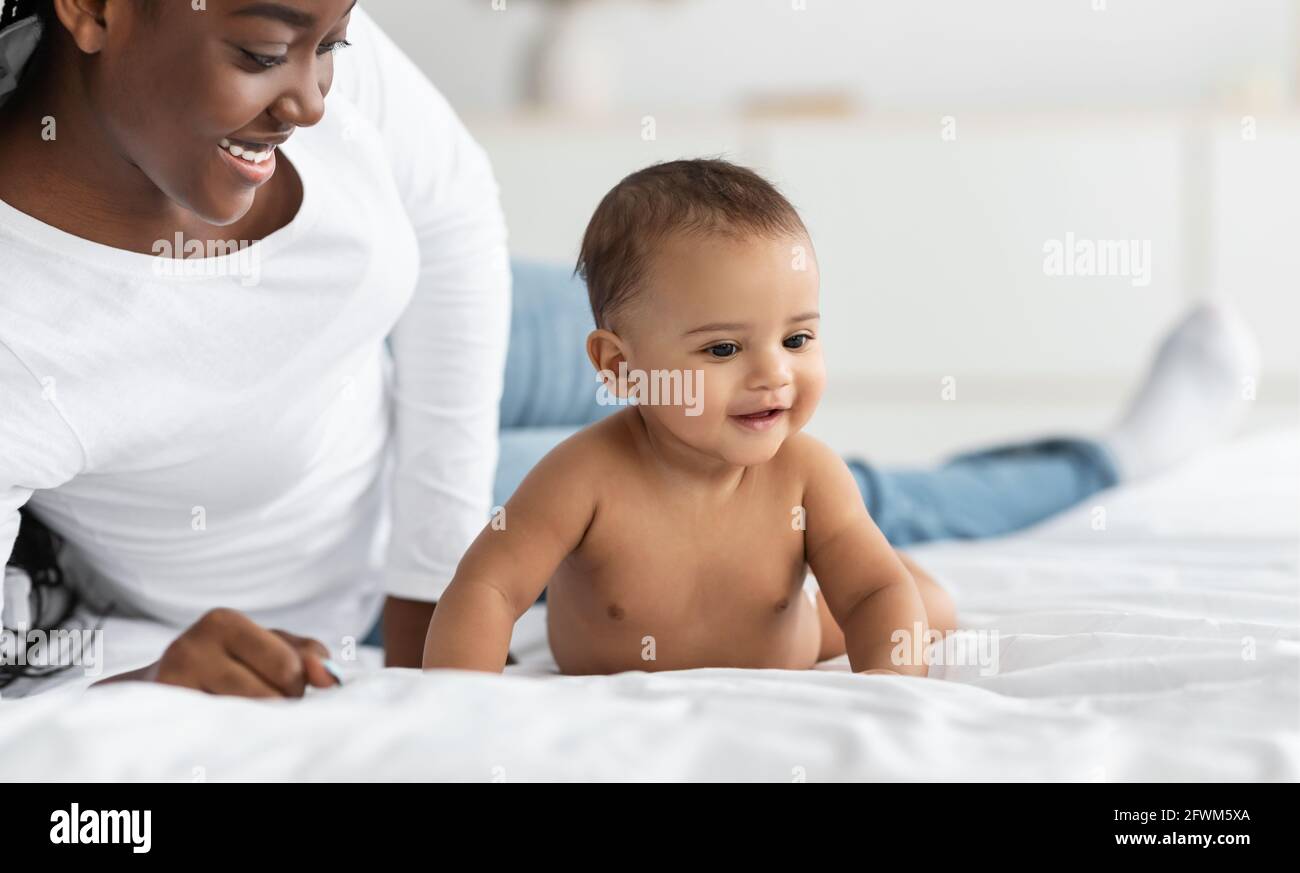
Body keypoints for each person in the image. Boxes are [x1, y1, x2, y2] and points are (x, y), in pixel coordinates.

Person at [0, 2, 1259, 697]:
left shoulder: (305, 40)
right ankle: (1110, 457)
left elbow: (446, 208)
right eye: (268, 55)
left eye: (333, 48)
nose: (320, 100)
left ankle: (1099, 451)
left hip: (439, 329)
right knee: (736, 511)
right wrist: (140, 660)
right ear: (94, 7)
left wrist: (432, 550)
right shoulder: (23, 331)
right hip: (320, 549)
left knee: (766, 444)